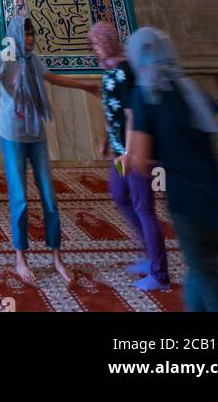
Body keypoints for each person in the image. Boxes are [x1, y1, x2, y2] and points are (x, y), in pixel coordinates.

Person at [127, 26, 218, 313]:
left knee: (209, 279)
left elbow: (139, 161)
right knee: (200, 271)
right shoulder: (191, 91)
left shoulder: (145, 95)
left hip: (188, 206)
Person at [46, 20, 170, 291]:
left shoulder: (126, 71)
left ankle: (160, 274)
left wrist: (127, 151)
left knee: (143, 207)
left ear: (107, 42)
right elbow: (113, 111)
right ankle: (150, 256)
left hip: (136, 154)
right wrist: (106, 139)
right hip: (120, 154)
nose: (95, 49)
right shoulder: (110, 71)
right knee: (120, 196)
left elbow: (132, 114)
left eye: (96, 44)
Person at [0, 14, 72, 284]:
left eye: (32, 34)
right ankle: (21, 258)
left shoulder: (33, 60)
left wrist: (86, 86)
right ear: (17, 34)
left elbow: (53, 79)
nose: (29, 38)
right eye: (26, 34)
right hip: (12, 135)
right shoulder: (5, 57)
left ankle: (57, 258)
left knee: (50, 197)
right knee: (19, 198)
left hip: (36, 133)